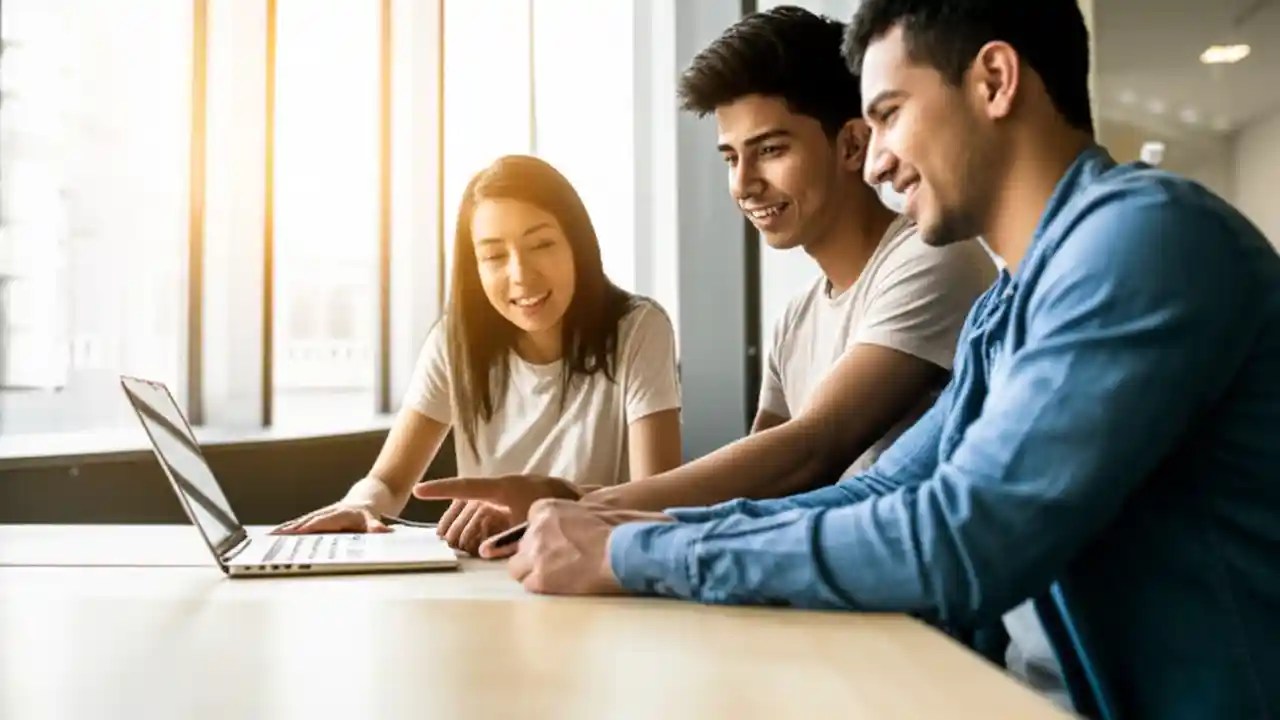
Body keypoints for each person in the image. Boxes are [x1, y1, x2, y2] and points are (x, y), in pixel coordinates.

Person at [497, 2, 1280, 718]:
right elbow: (880, 489)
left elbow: (961, 536)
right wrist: (623, 523)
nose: (874, 164)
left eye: (889, 116)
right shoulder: (1007, 309)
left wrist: (633, 548)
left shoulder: (1145, 240)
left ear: (995, 82)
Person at [413, 6, 994, 550]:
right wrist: (560, 497)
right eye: (729, 158)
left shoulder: (932, 259)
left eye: (769, 150)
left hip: (917, 628)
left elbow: (810, 450)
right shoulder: (797, 318)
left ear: (851, 144)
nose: (744, 184)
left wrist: (588, 509)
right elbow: (751, 485)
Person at [273, 155, 683, 556]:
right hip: (489, 571)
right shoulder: (456, 343)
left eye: (541, 244)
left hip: (595, 566)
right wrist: (359, 504)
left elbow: (659, 497)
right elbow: (389, 483)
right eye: (493, 255)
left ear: (578, 244)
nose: (520, 274)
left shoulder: (638, 330)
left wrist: (540, 508)